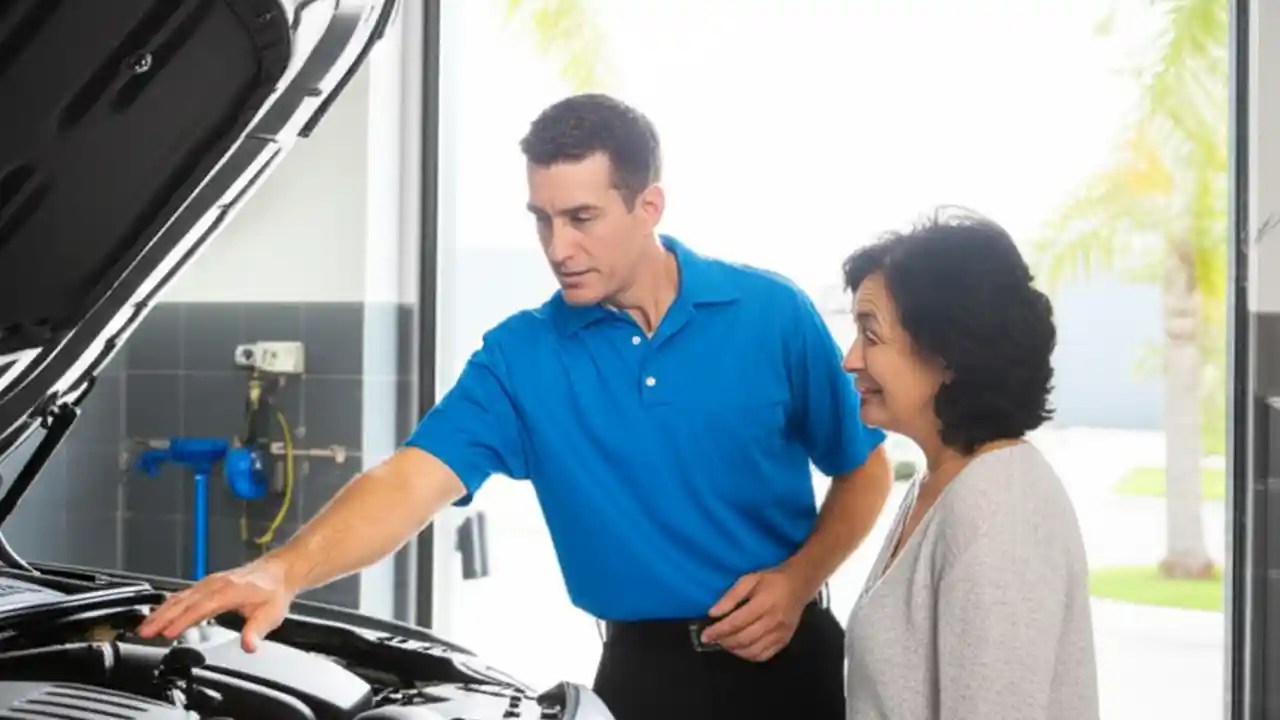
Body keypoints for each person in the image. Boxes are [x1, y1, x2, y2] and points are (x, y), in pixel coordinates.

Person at [136, 93, 892, 720]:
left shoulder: (771, 314)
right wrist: (285, 569)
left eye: (582, 218)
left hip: (794, 655)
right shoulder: (520, 356)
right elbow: (408, 481)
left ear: (648, 205)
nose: (557, 246)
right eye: (541, 218)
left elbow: (865, 471)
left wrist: (798, 581)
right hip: (641, 676)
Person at [838, 208, 1100, 720]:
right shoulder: (943, 479)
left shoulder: (995, 505)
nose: (850, 358)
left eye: (871, 336)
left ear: (949, 355)